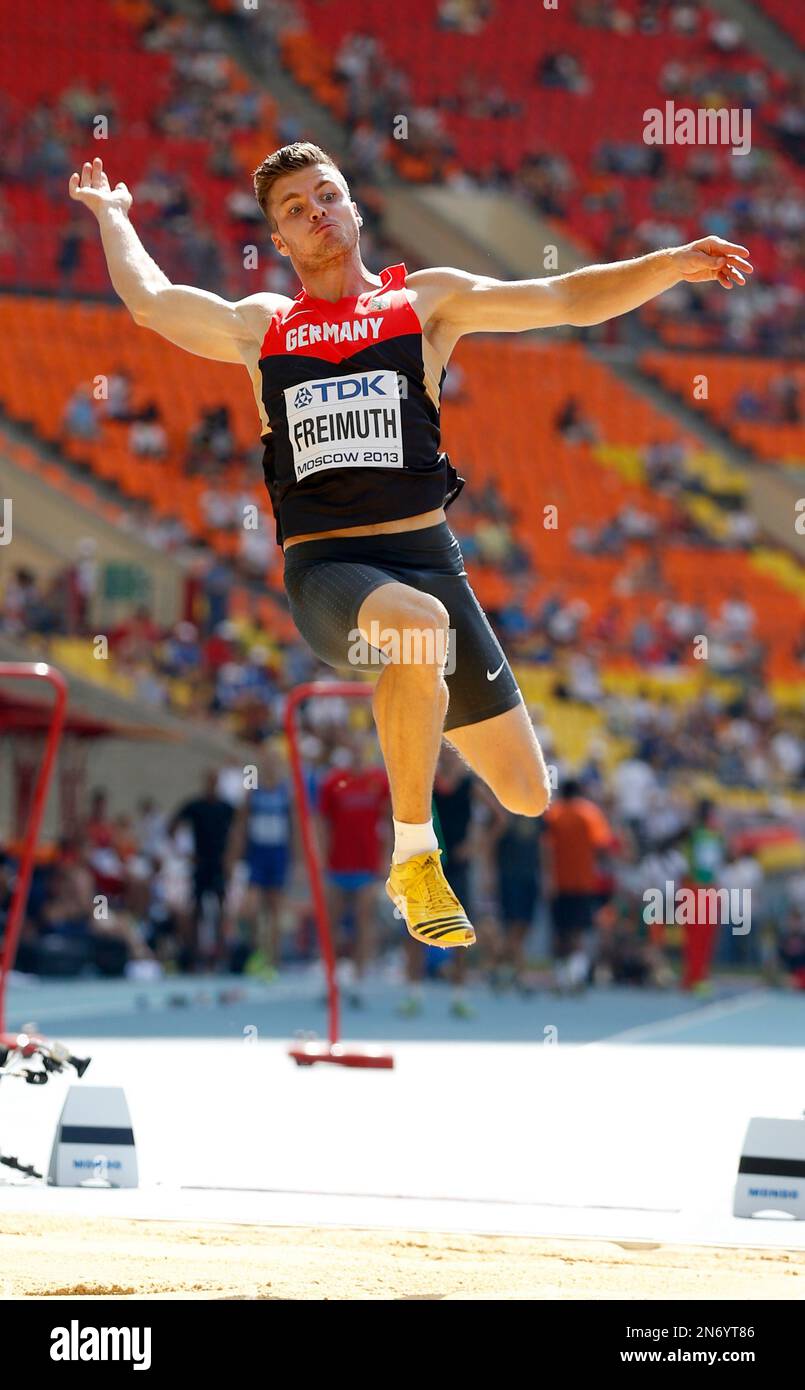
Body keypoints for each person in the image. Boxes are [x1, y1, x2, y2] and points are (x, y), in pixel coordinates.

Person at [69, 146, 752, 948]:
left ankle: (415, 750)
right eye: (294, 208)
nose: (316, 211)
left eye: (327, 195)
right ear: (280, 242)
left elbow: (563, 296)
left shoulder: (425, 303)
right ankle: (414, 855)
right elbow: (151, 302)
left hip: (430, 560)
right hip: (329, 571)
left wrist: (667, 265)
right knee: (415, 624)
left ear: (355, 209)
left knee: (527, 791)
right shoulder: (264, 328)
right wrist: (113, 215)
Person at [315, 728, 390, 1004]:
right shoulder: (333, 782)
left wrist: (386, 858)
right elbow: (322, 823)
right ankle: (331, 980)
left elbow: (388, 820)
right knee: (331, 922)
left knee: (363, 921)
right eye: (354, 749)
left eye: (362, 749)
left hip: (367, 864)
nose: (358, 754)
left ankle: (359, 979)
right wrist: (320, 856)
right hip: (338, 863)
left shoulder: (379, 782)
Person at [543, 779, 614, 991]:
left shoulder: (553, 814)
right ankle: (575, 975)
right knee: (578, 930)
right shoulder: (589, 813)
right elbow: (603, 844)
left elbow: (545, 847)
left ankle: (560, 975)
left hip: (558, 881)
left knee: (560, 930)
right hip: (583, 882)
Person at [169, 769, 236, 971]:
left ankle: (219, 954)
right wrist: (183, 853)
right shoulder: (196, 806)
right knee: (197, 909)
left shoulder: (226, 807)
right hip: (201, 864)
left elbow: (239, 830)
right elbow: (172, 825)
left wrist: (231, 858)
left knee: (221, 909)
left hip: (219, 864)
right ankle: (194, 953)